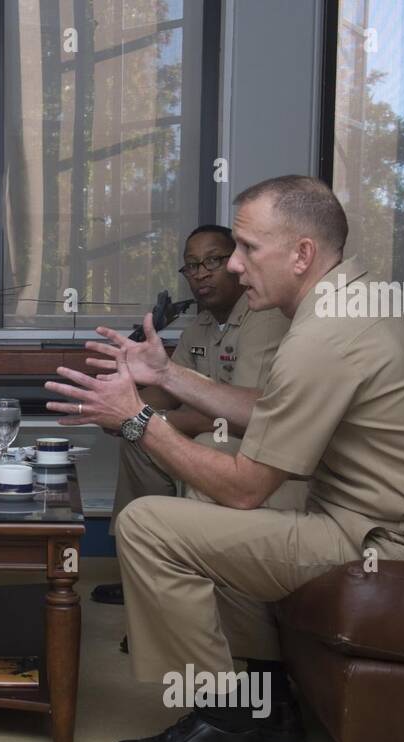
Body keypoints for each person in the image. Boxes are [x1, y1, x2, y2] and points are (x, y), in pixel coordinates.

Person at [45, 175, 404, 742]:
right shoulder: (355, 302)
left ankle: (221, 725)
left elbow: (246, 487)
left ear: (301, 254)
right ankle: (266, 697)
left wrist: (138, 419)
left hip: (387, 544)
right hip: (387, 525)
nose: (236, 267)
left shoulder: (325, 334)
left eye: (248, 249)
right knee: (206, 508)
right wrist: (168, 377)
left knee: (148, 524)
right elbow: (268, 412)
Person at [92, 224, 292, 609]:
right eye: (191, 265)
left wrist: (139, 418)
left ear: (236, 263)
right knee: (137, 442)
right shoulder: (199, 324)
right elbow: (166, 387)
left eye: (213, 261)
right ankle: (145, 574)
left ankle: (191, 587)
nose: (201, 273)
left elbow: (243, 416)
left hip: (250, 442)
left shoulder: (263, 319)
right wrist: (119, 403)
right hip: (209, 429)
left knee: (201, 440)